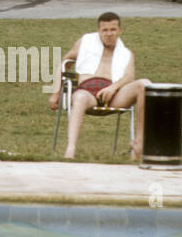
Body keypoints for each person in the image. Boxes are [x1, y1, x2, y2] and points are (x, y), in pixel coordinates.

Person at [48, 11, 151, 161]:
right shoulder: (85, 42)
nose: (109, 34)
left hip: (113, 94)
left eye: (113, 29)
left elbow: (129, 76)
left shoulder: (126, 53)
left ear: (120, 30)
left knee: (145, 84)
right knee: (80, 97)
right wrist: (55, 93)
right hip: (87, 92)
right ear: (99, 31)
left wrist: (113, 87)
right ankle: (71, 149)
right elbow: (64, 64)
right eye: (105, 30)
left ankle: (138, 144)